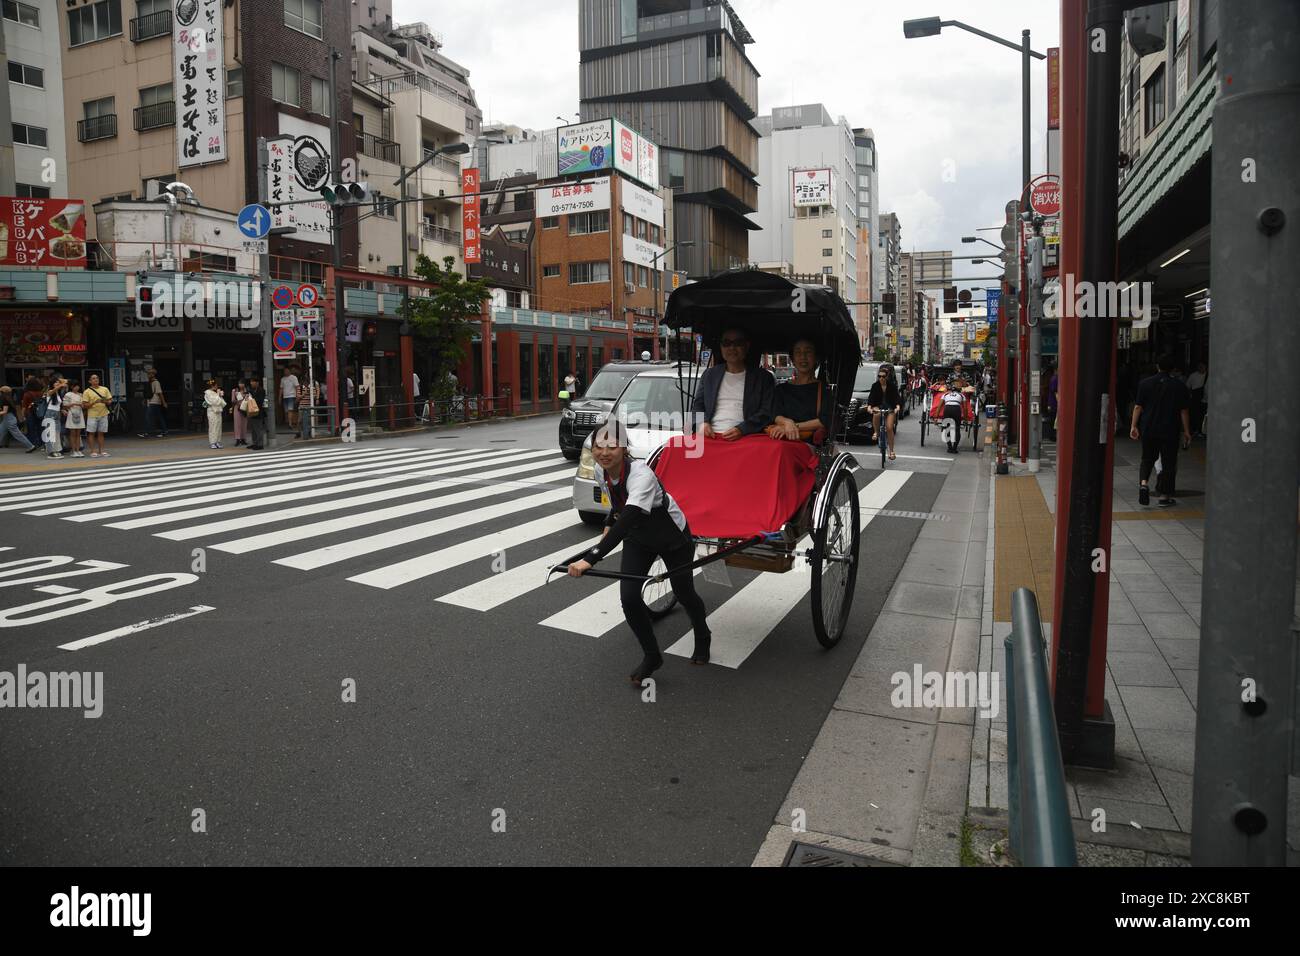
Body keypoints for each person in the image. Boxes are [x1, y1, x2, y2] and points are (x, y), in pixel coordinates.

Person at [567, 417, 712, 683]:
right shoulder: (601, 470)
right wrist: (610, 522)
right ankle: (652, 655)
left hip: (671, 537)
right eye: (598, 446)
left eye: (612, 446)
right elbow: (618, 503)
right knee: (630, 597)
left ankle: (702, 634)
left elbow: (630, 516)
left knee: (683, 591)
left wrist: (591, 558)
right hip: (638, 538)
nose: (604, 452)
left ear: (624, 448)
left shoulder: (641, 474)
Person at [1130, 353, 1192, 507]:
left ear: (1157, 366)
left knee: (1147, 458)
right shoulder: (1179, 386)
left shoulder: (1145, 384)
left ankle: (1143, 484)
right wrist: (1187, 431)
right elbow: (1183, 411)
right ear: (1173, 369)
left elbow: (1138, 406)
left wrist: (1133, 426)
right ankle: (1164, 496)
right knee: (1168, 462)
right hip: (1170, 430)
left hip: (1149, 428)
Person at [691, 327, 775, 440]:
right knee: (674, 447)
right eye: (726, 343)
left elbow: (766, 412)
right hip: (711, 436)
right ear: (721, 347)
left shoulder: (763, 378)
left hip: (748, 437)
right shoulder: (709, 375)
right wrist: (703, 423)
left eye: (738, 343)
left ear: (747, 346)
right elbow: (698, 406)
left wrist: (742, 429)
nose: (732, 348)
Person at [767, 338, 831, 442]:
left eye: (808, 352)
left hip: (806, 442)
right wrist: (787, 422)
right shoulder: (781, 389)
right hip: (781, 439)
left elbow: (824, 421)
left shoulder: (824, 390)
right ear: (792, 359)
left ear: (816, 358)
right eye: (798, 352)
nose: (803, 357)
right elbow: (775, 415)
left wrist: (794, 427)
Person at [867, 364, 902, 460]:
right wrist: (869, 407)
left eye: (883, 376)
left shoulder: (892, 386)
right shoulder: (875, 386)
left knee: (890, 428)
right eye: (879, 376)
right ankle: (876, 432)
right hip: (878, 406)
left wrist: (897, 407)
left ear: (887, 377)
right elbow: (871, 398)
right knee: (876, 413)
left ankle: (891, 451)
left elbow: (897, 398)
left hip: (890, 407)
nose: (881, 378)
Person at [82, 373, 112, 458]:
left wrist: (105, 401)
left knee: (101, 433)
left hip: (103, 413)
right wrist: (94, 402)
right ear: (90, 381)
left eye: (97, 378)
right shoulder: (87, 391)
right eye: (93, 378)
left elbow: (110, 401)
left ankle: (102, 450)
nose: (96, 380)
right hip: (92, 415)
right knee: (91, 433)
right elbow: (84, 405)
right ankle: (92, 451)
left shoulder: (105, 389)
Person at [0, 386, 37, 453]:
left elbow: (5, 411)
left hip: (9, 419)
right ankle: (31, 446)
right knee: (1, 432)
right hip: (8, 419)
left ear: (2, 392)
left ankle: (31, 446)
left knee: (18, 435)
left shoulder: (4, 399)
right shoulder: (9, 398)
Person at [41, 377, 66, 459]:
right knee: (50, 433)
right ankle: (50, 452)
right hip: (50, 413)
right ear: (52, 384)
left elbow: (58, 404)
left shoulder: (58, 393)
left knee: (56, 433)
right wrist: (61, 384)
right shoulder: (49, 391)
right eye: (55, 382)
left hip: (57, 413)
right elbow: (52, 391)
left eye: (58, 382)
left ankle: (56, 450)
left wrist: (62, 410)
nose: (57, 383)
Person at [941, 381, 967, 454]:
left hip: (947, 409)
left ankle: (949, 447)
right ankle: (954, 448)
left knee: (946, 429)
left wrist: (936, 417)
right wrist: (965, 419)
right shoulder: (962, 395)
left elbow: (940, 406)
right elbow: (965, 408)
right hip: (956, 410)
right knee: (957, 429)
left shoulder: (945, 394)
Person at [62, 380, 86, 458]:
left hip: (79, 414)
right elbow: (65, 405)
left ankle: (78, 450)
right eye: (75, 386)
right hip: (71, 414)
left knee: (78, 434)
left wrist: (82, 405)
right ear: (71, 387)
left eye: (78, 386)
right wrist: (74, 403)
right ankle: (73, 451)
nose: (77, 387)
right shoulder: (68, 394)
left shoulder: (81, 395)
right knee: (72, 433)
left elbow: (84, 406)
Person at [203, 379, 227, 449]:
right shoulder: (207, 392)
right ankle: (212, 442)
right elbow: (213, 401)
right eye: (216, 385)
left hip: (218, 411)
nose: (217, 387)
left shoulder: (216, 392)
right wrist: (218, 395)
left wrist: (220, 396)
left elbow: (222, 403)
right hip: (212, 411)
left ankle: (218, 441)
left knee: (218, 427)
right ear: (212, 386)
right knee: (213, 426)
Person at [245, 376, 268, 450]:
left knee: (258, 429)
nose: (251, 383)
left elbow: (260, 401)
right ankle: (254, 443)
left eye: (253, 382)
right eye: (251, 382)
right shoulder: (251, 390)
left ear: (257, 382)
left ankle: (260, 444)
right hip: (251, 411)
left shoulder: (261, 390)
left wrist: (252, 397)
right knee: (253, 429)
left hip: (258, 412)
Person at [1186, 361, 1207, 439]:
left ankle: (1202, 431)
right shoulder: (1193, 375)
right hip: (1195, 398)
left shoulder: (1208, 375)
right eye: (1200, 366)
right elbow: (1187, 386)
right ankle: (1196, 430)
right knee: (1195, 415)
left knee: (1203, 415)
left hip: (1206, 399)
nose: (1201, 368)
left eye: (1203, 366)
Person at [280, 366, 300, 436]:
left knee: (290, 410)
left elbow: (297, 387)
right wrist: (280, 397)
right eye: (284, 371)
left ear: (289, 371)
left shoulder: (293, 377)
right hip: (285, 396)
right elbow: (281, 389)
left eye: (287, 370)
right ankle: (289, 422)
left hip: (292, 396)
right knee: (286, 411)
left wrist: (297, 395)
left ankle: (290, 424)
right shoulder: (283, 379)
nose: (285, 372)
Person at [230, 379, 249, 447]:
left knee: (244, 424)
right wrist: (237, 397)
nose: (241, 385)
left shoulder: (246, 390)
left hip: (244, 409)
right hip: (237, 408)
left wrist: (246, 397)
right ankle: (238, 439)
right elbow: (232, 400)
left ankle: (243, 439)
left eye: (242, 383)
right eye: (240, 383)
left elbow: (249, 399)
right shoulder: (234, 390)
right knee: (237, 424)